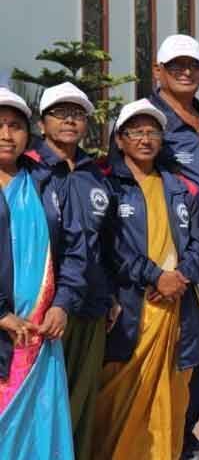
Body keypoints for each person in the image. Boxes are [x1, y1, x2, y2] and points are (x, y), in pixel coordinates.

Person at [93, 99, 199, 460]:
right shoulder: (106, 186)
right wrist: (154, 276)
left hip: (178, 308)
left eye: (153, 132)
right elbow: (108, 243)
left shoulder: (181, 187)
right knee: (118, 401)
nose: (145, 139)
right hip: (131, 311)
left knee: (172, 400)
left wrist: (182, 276)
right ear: (119, 139)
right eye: (136, 132)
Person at [145, 34, 199, 460]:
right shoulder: (146, 121)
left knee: (193, 355)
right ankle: (160, 437)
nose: (186, 71)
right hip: (165, 267)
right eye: (175, 65)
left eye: (193, 64)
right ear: (158, 70)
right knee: (166, 353)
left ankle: (184, 433)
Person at [26, 82, 113, 460]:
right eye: (60, 113)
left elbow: (107, 242)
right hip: (44, 308)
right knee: (43, 404)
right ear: (42, 123)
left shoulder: (97, 173)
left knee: (81, 401)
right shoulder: (28, 170)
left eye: (77, 114)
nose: (69, 121)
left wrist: (110, 294)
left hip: (91, 306)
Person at [0, 88, 74, 459]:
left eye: (14, 125)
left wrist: (61, 304)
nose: (5, 134)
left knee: (40, 427)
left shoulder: (47, 183)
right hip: (4, 337)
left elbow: (76, 249)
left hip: (42, 332)